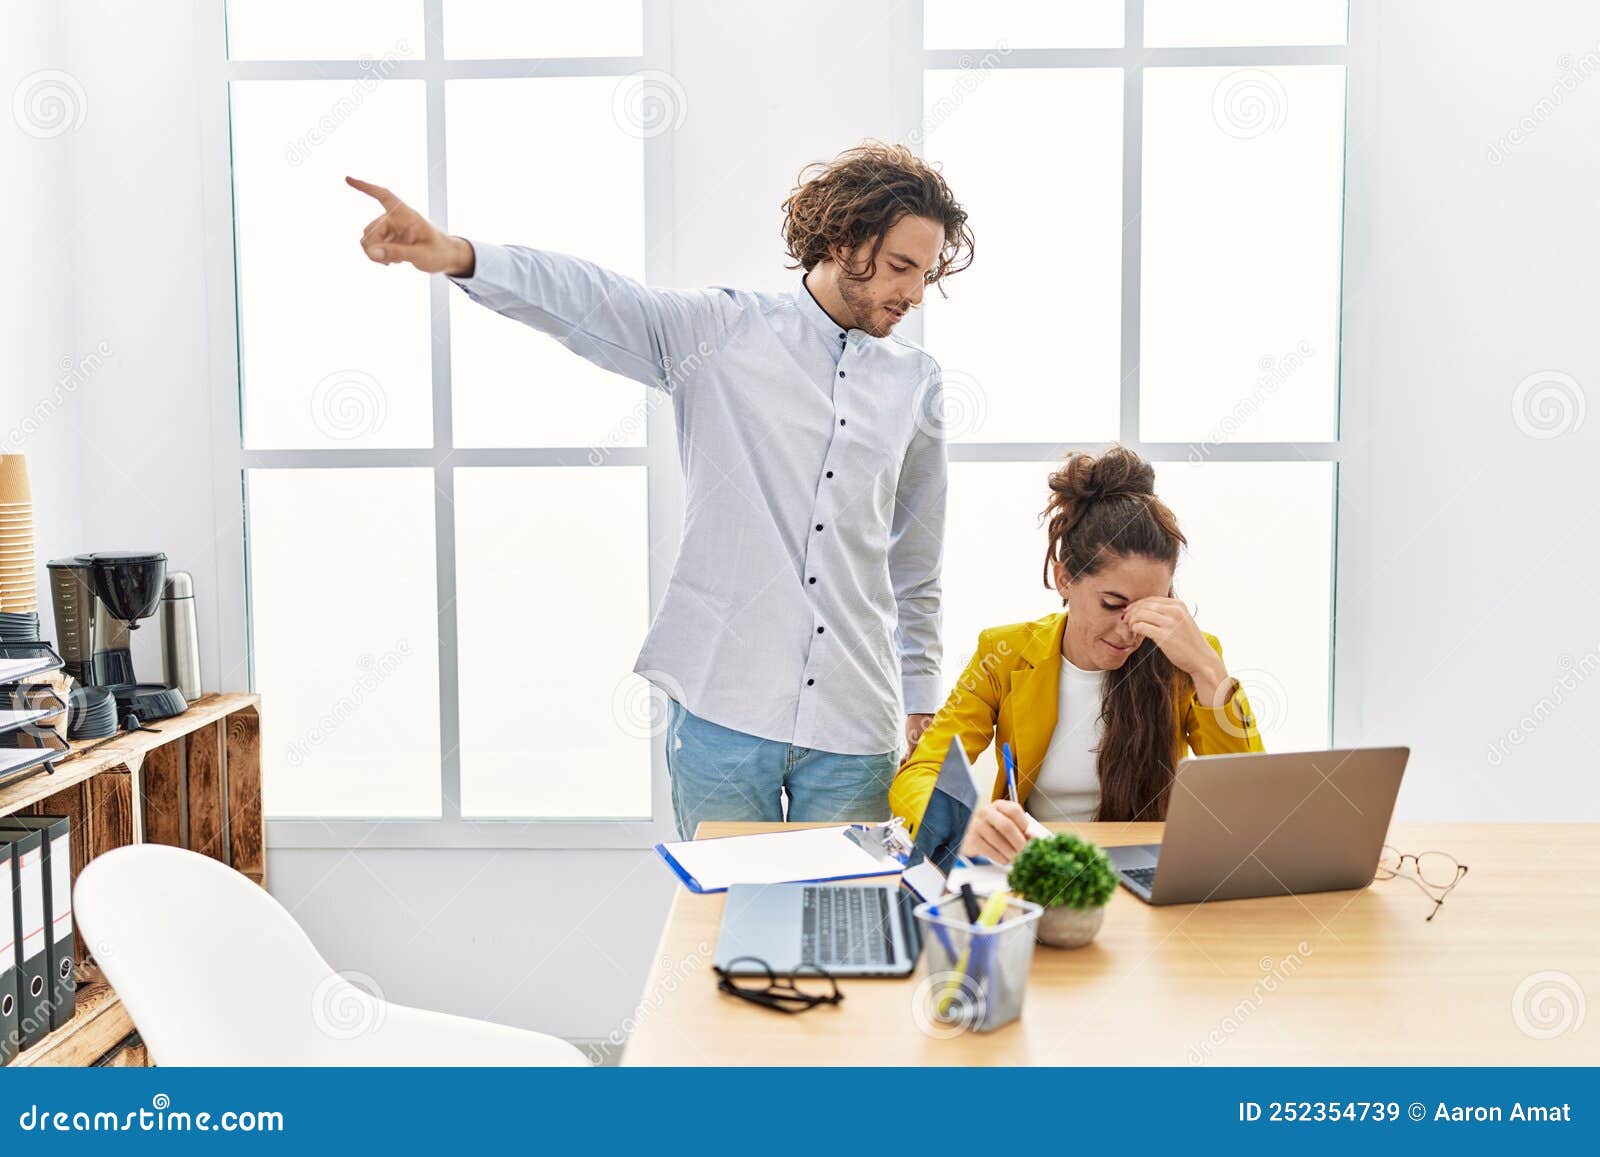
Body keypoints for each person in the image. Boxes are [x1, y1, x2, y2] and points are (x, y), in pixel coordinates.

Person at [346, 142, 974, 840]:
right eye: (900, 267)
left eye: (926, 273)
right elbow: (593, 298)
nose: (914, 293)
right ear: (842, 239)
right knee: (720, 932)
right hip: (722, 713)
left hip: (857, 727)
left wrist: (920, 696)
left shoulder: (918, 383)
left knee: (840, 928)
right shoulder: (721, 331)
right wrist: (459, 253)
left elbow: (916, 562)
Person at [888, 445, 1265, 862]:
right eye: (1112, 603)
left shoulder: (1186, 658)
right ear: (1064, 577)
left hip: (1148, 868)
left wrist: (1209, 671)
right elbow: (921, 772)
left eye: (1152, 606)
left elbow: (1250, 804)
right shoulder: (1005, 652)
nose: (1131, 629)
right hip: (1035, 869)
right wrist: (959, 822)